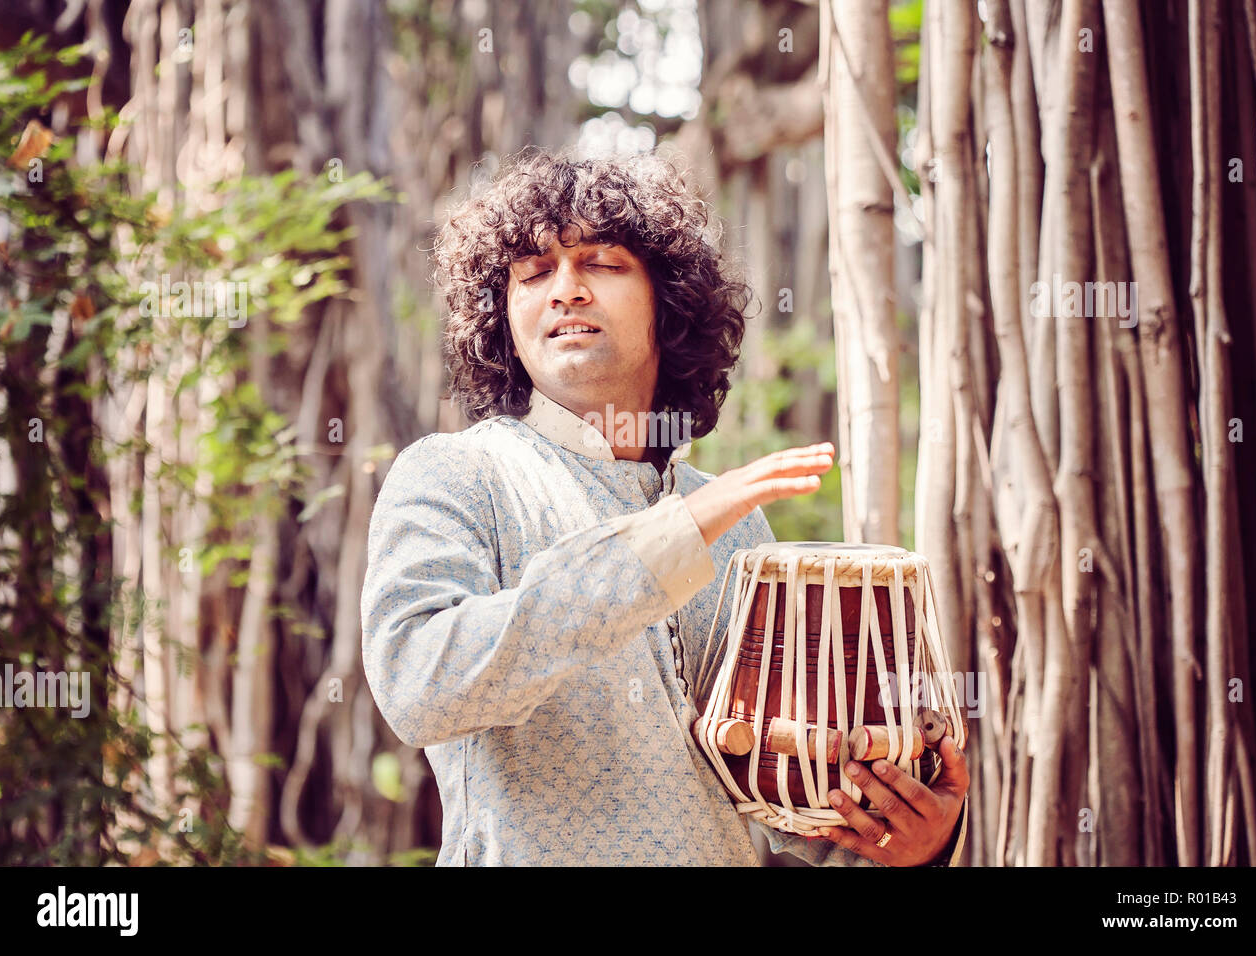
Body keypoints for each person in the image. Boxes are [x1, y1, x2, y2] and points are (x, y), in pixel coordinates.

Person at [360, 147, 968, 866]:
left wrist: (911, 839)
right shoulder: (456, 473)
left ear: (668, 301)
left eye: (603, 264)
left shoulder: (735, 518)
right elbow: (419, 686)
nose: (565, 290)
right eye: (533, 272)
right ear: (503, 315)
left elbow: (785, 806)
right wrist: (674, 539)